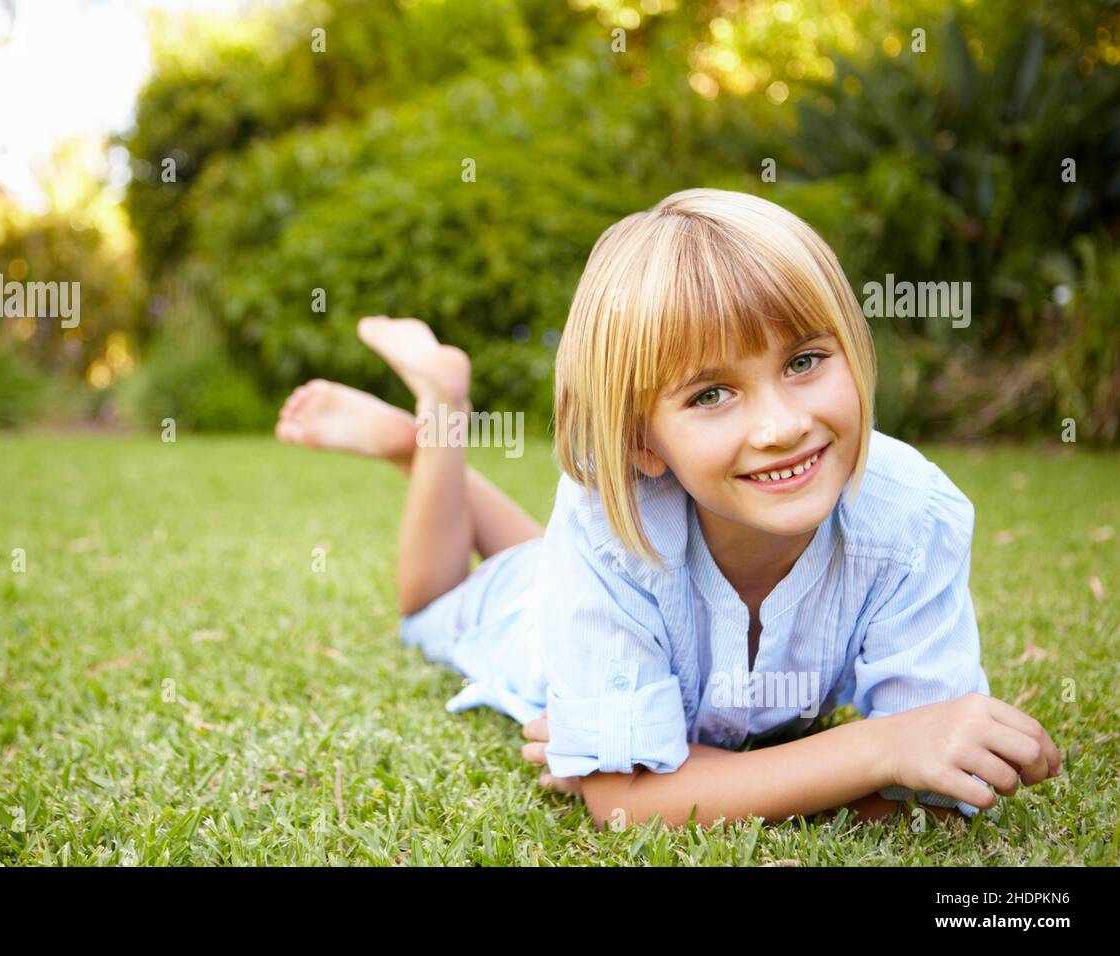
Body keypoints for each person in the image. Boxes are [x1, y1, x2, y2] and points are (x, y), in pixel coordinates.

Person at [274, 188, 1063, 830]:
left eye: (805, 361)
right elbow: (623, 801)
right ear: (642, 443)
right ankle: (432, 424)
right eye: (711, 393)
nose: (782, 424)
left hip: (609, 582)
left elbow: (930, 797)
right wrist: (877, 747)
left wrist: (681, 769)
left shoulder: (912, 516)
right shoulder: (607, 519)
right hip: (537, 618)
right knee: (437, 606)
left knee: (554, 558)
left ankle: (424, 445)